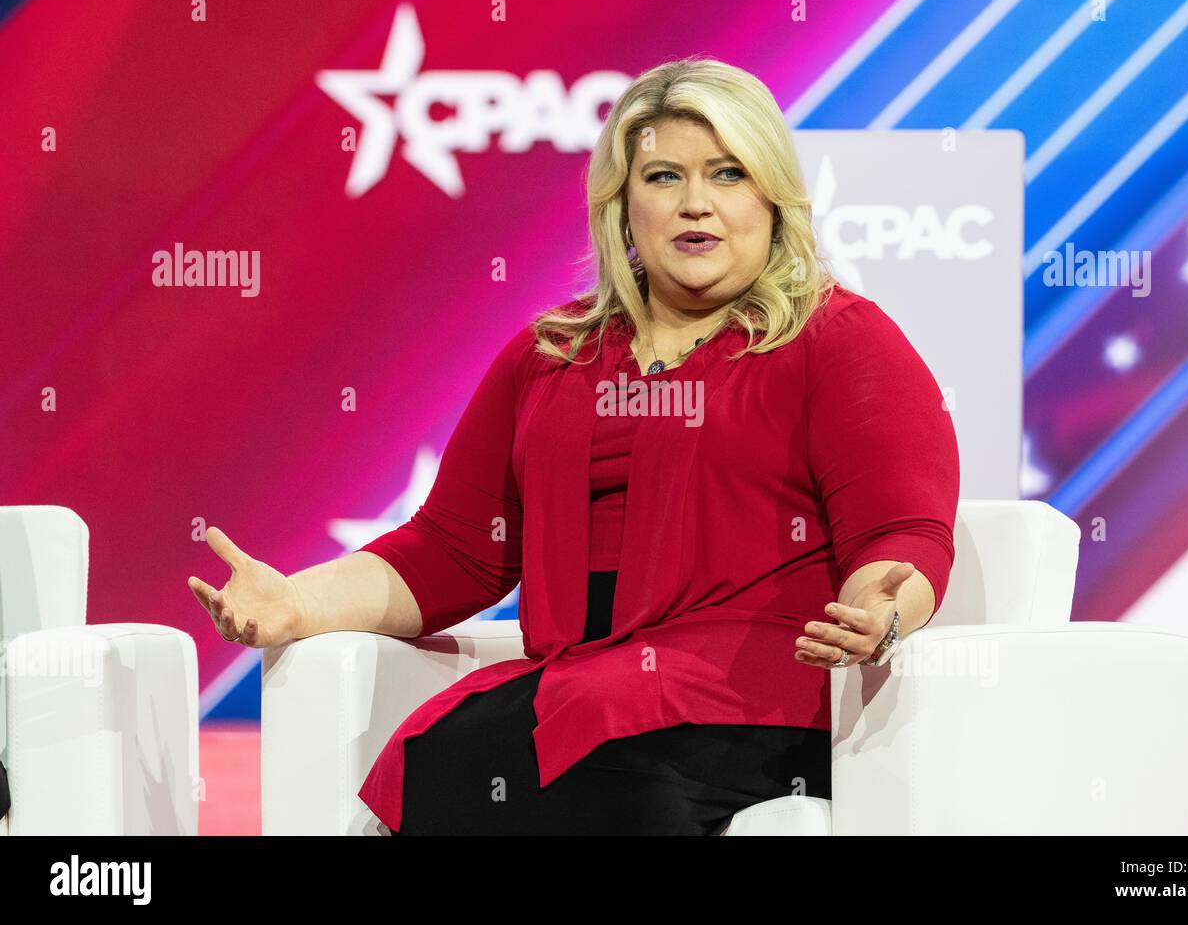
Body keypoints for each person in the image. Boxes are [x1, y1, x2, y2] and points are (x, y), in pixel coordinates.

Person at [186, 56, 960, 835]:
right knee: (447, 755)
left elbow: (902, 535)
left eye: (728, 174)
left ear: (773, 197)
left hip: (751, 698)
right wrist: (295, 602)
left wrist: (880, 612)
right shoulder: (551, 356)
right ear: (622, 206)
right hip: (582, 693)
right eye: (663, 177)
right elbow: (454, 548)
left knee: (586, 767)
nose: (697, 204)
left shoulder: (838, 340)